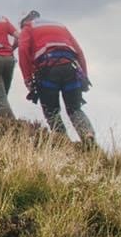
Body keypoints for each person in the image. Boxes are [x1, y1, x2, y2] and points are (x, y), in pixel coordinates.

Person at [18, 10, 96, 144]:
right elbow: (79, 52)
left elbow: (23, 51)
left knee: (51, 112)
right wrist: (84, 76)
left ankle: (63, 142)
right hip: (71, 69)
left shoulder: (28, 28)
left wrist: (28, 79)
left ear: (24, 21)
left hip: (48, 71)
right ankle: (87, 134)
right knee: (75, 109)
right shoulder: (60, 26)